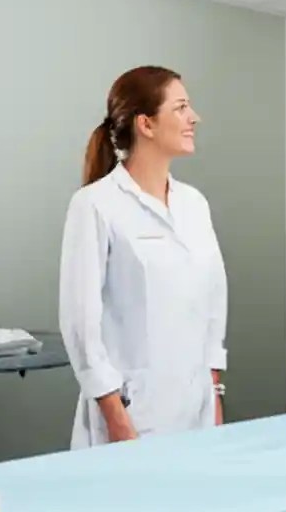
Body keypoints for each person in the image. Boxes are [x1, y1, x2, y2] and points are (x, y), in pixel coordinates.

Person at [59, 66, 228, 449]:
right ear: (146, 125)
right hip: (131, 415)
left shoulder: (194, 204)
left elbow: (214, 307)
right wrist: (117, 421)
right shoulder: (95, 205)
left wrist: (215, 399)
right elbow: (80, 325)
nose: (194, 117)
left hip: (197, 410)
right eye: (181, 107)